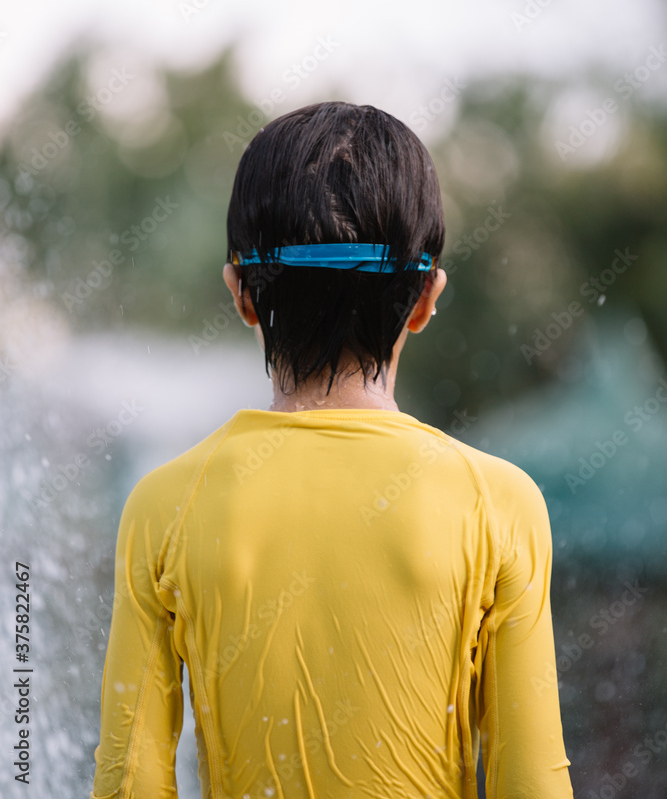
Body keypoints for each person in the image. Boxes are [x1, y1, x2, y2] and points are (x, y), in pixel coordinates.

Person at [90, 101, 574, 799]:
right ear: (424, 298)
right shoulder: (497, 504)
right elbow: (531, 784)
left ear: (242, 295)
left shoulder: (165, 505)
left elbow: (128, 782)